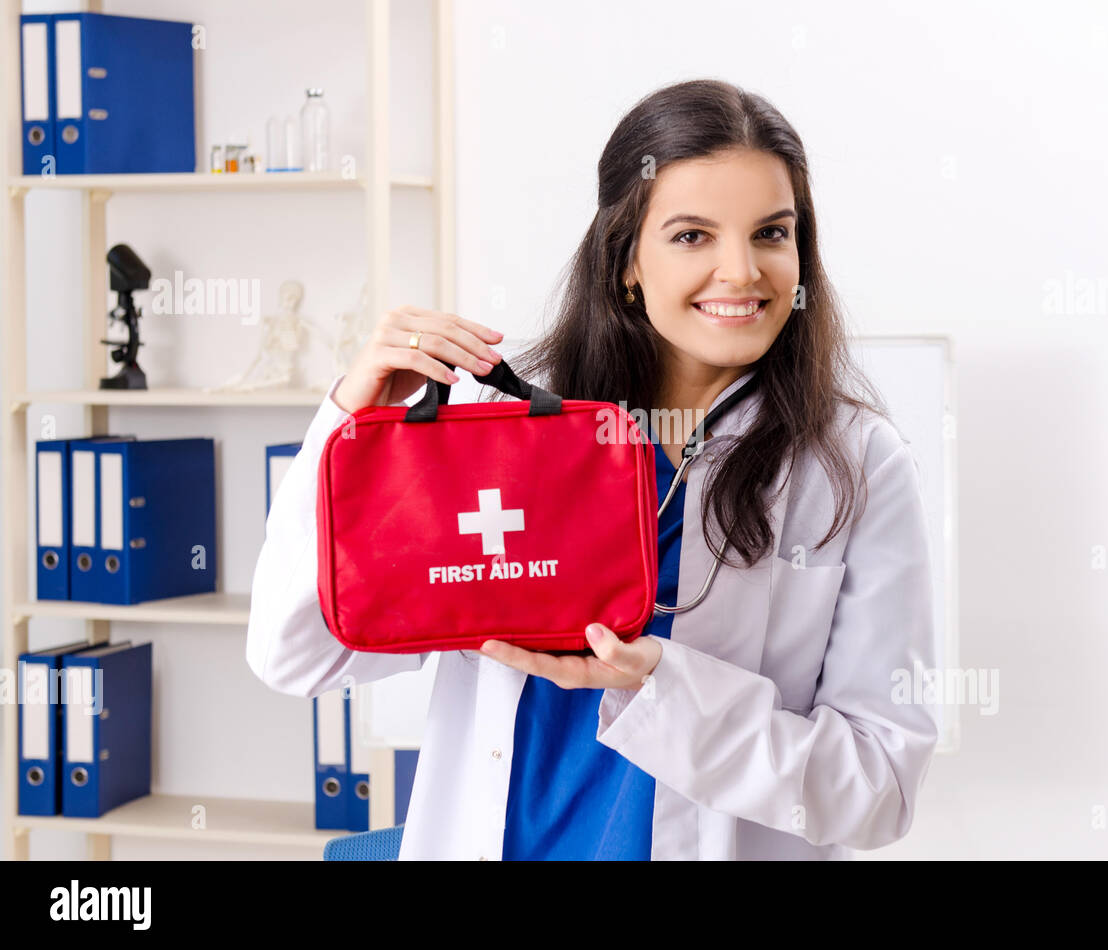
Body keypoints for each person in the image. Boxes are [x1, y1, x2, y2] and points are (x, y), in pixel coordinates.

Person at [246, 78, 939, 860]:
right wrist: (349, 421)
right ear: (627, 261)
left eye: (772, 234)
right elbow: (295, 652)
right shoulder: (491, 426)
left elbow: (880, 791)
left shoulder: (856, 463)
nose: (742, 272)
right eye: (692, 236)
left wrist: (665, 691)